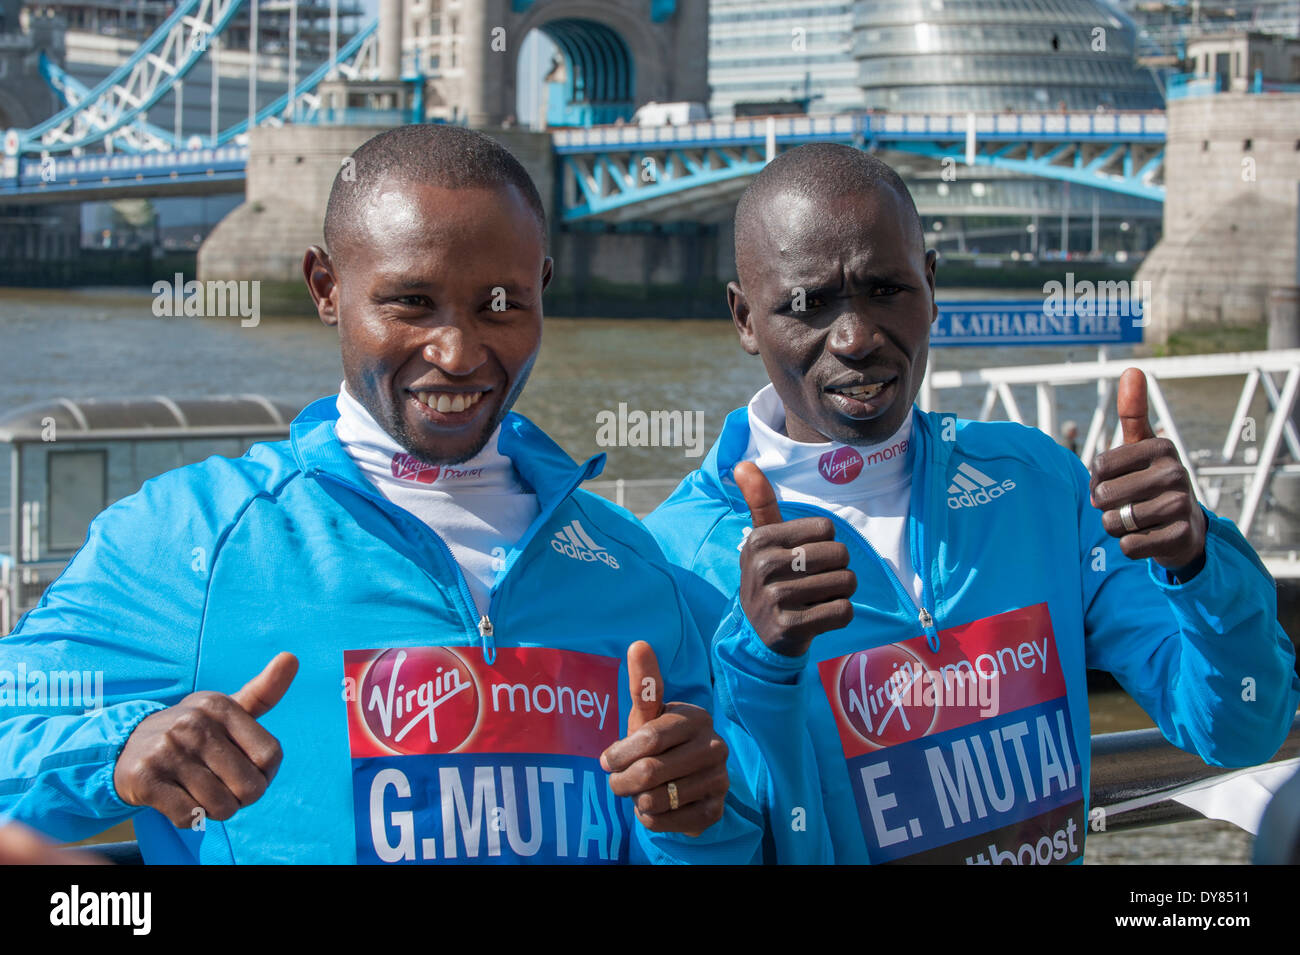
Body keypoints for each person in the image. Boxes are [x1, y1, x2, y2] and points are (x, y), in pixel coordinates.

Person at [0, 125, 758, 865]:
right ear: (326, 288)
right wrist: (119, 750)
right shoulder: (190, 536)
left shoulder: (633, 565)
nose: (457, 353)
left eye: (499, 306)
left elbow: (721, 835)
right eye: (411, 303)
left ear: (542, 290)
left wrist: (693, 820)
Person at [645, 143, 1300, 864]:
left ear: (930, 286)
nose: (856, 338)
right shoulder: (672, 563)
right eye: (809, 304)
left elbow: (1243, 728)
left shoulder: (1038, 482)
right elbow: (695, 842)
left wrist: (1198, 561)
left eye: (886, 290)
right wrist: (760, 663)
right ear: (745, 318)